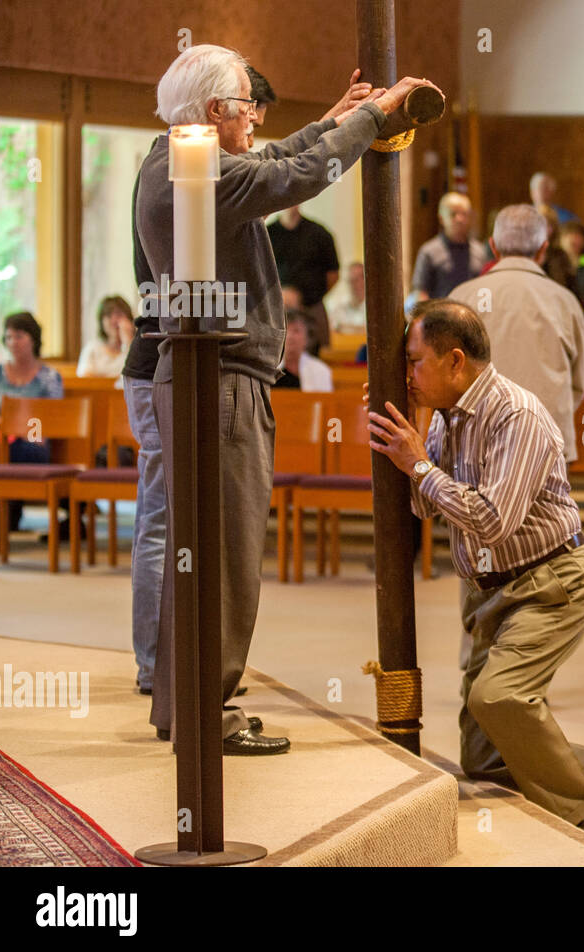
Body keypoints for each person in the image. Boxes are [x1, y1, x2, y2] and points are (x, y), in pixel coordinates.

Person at [139, 42, 428, 754]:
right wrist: (376, 119)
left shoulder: (174, 156)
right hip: (223, 383)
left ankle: (187, 707)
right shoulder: (195, 172)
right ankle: (213, 713)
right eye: (245, 109)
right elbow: (296, 178)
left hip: (212, 380)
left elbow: (270, 165)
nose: (253, 122)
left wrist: (334, 116)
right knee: (228, 557)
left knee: (196, 555)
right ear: (214, 112)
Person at [367, 300, 584, 841]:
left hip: (550, 583)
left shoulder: (517, 415)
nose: (408, 377)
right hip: (491, 591)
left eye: (414, 363)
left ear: (455, 360)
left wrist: (418, 464)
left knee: (500, 698)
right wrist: (402, 445)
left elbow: (492, 521)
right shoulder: (445, 419)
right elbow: (427, 507)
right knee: (483, 755)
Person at [447, 204, 584, 464]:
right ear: (543, 249)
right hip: (545, 446)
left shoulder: (460, 298)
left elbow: (444, 378)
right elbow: (577, 385)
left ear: (494, 247)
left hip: (477, 445)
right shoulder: (565, 302)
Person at [0, 312, 64, 532]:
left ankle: (5, 516)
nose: (13, 342)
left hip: (34, 443)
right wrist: (10, 424)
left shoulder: (49, 377)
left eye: (19, 336)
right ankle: (5, 515)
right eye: (9, 337)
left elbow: (48, 420)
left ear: (33, 339)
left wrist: (10, 423)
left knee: (14, 450)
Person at [267, 204, 338, 350]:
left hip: (311, 306)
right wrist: (280, 296)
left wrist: (308, 297)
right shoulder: (268, 233)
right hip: (276, 308)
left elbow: (333, 274)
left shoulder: (319, 233)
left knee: (320, 352)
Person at [410, 192, 491, 304]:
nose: (459, 219)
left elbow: (486, 289)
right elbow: (421, 293)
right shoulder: (429, 251)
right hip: (441, 318)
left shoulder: (480, 251)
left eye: (464, 214)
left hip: (472, 317)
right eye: (453, 214)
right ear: (441, 218)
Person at [274, 310, 333, 392]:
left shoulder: (320, 371)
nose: (290, 336)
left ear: (308, 338)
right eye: (286, 330)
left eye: (296, 331)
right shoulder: (266, 369)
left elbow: (324, 403)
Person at [76, 295, 134, 378]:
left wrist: (128, 343)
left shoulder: (135, 350)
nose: (114, 321)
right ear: (102, 321)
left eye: (119, 315)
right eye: (109, 315)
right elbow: (85, 379)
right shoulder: (92, 348)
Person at [325, 260, 367, 336]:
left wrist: (344, 328)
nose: (357, 284)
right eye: (352, 280)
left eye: (360, 278)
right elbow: (333, 329)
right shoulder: (339, 308)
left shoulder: (375, 309)